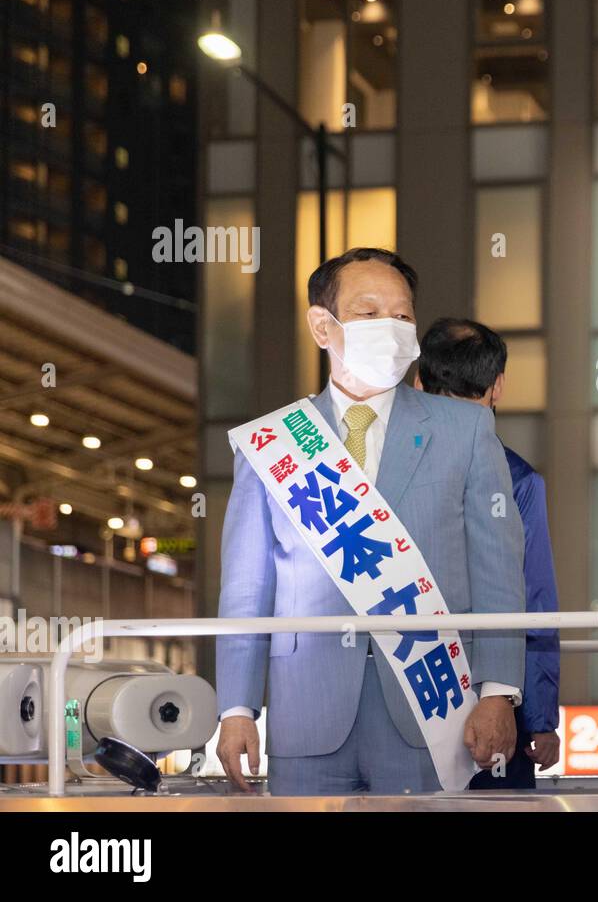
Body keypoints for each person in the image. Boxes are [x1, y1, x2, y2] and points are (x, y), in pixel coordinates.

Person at [215, 248, 526, 795]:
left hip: (429, 710)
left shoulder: (466, 431)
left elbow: (498, 571)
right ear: (322, 325)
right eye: (368, 312)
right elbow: (246, 590)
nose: (391, 327)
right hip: (304, 712)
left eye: (403, 316)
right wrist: (236, 707)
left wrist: (498, 691)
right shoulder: (271, 446)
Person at [416, 318, 562, 787]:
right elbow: (533, 601)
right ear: (497, 387)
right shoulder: (518, 480)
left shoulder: (381, 474)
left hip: (402, 691)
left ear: (417, 383)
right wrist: (540, 719)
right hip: (490, 701)